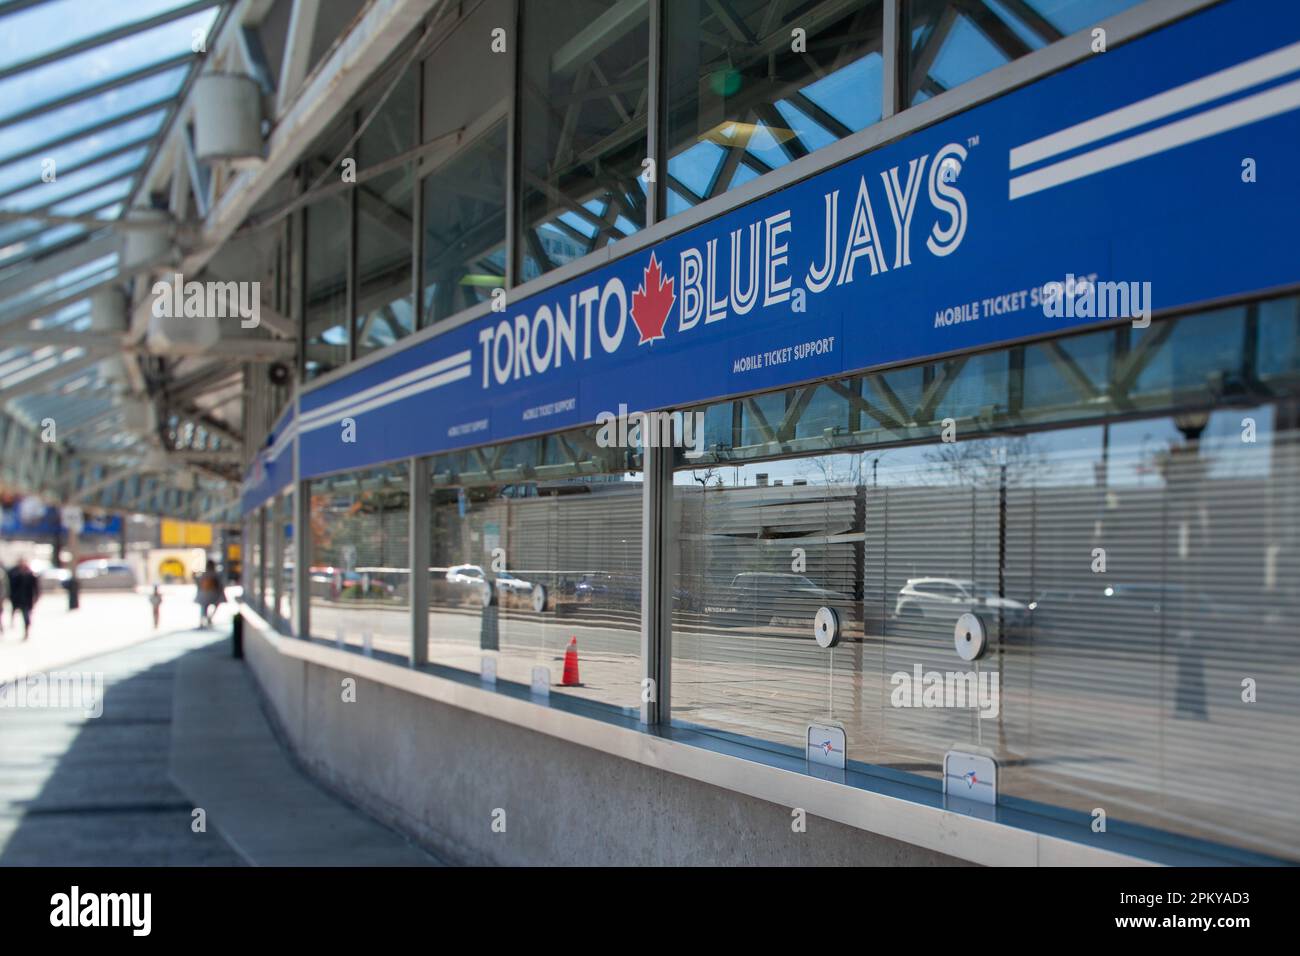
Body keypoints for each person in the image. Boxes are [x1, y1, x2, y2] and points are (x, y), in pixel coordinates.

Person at [7, 558, 39, 641]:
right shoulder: (15, 574)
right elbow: (12, 586)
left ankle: (27, 629)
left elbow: (36, 588)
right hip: (19, 599)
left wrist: (36, 597)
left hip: (28, 599)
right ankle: (14, 623)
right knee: (18, 612)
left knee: (26, 615)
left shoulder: (31, 575)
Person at [195, 560, 224, 629]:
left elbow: (199, 584)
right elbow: (220, 585)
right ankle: (209, 618)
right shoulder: (215, 574)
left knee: (204, 607)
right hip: (214, 594)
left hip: (204, 594)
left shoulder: (203, 574)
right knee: (216, 604)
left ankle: (203, 620)